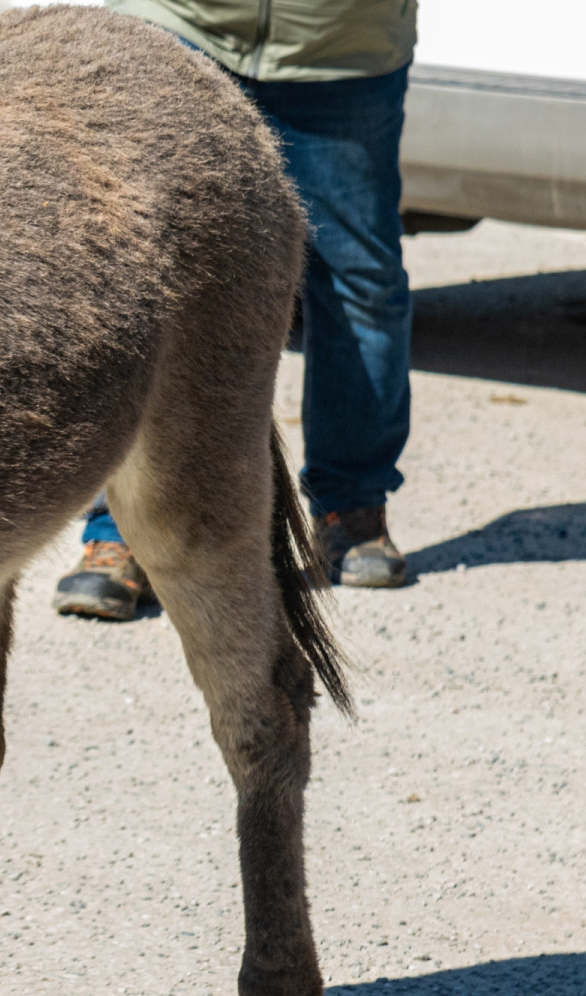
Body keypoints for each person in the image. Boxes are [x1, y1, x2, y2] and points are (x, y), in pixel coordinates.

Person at [54, 0, 420, 621]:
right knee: (138, 278)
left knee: (362, 282)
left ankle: (352, 509)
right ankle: (118, 530)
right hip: (178, 31)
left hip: (340, 49)